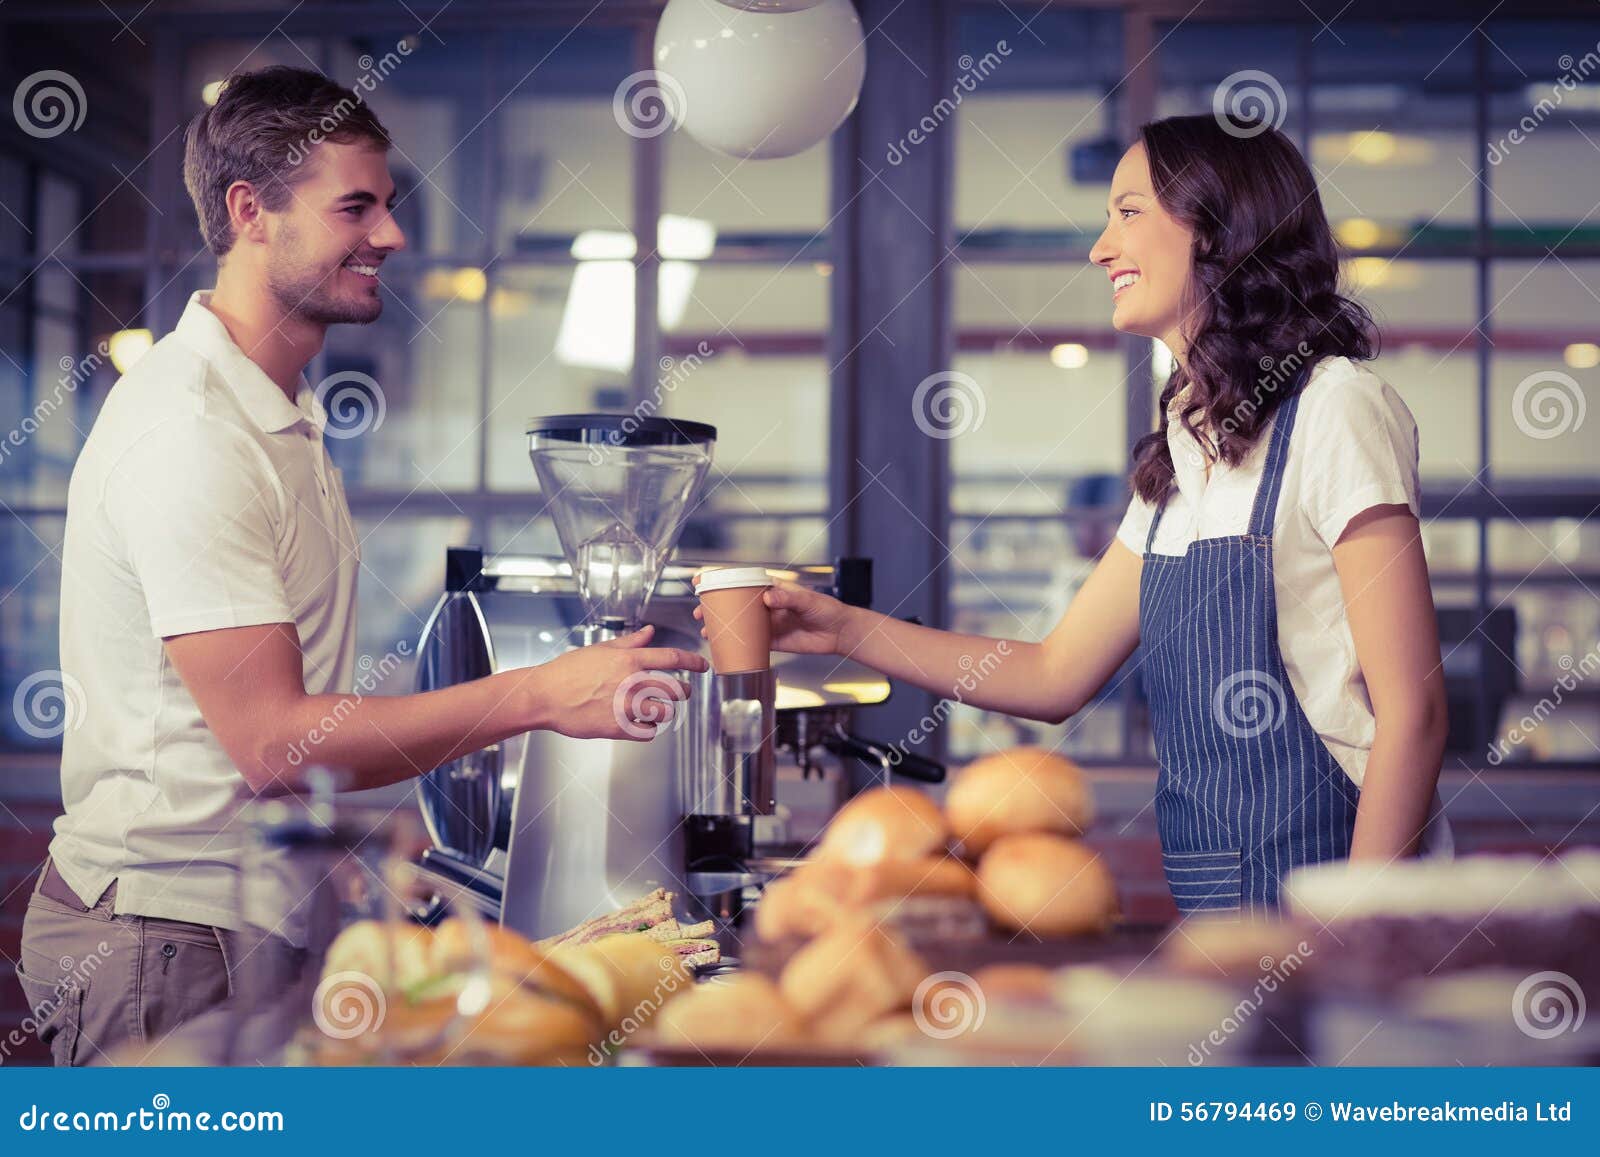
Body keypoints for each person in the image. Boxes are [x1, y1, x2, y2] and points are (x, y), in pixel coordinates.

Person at [18, 66, 705, 1066]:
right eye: (357, 207)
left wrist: (374, 838)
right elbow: (275, 746)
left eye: (387, 205)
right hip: (160, 940)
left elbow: (271, 747)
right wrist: (539, 694)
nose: (392, 236)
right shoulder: (193, 432)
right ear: (252, 213)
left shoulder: (275, 411)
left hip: (230, 922)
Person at [702, 113, 1450, 917]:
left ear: (1217, 227)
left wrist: (1356, 940)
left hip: (1343, 889)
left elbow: (1416, 711)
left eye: (1128, 212)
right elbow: (1054, 673)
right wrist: (845, 630)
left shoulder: (1336, 408)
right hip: (1217, 907)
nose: (1101, 247)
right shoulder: (1186, 444)